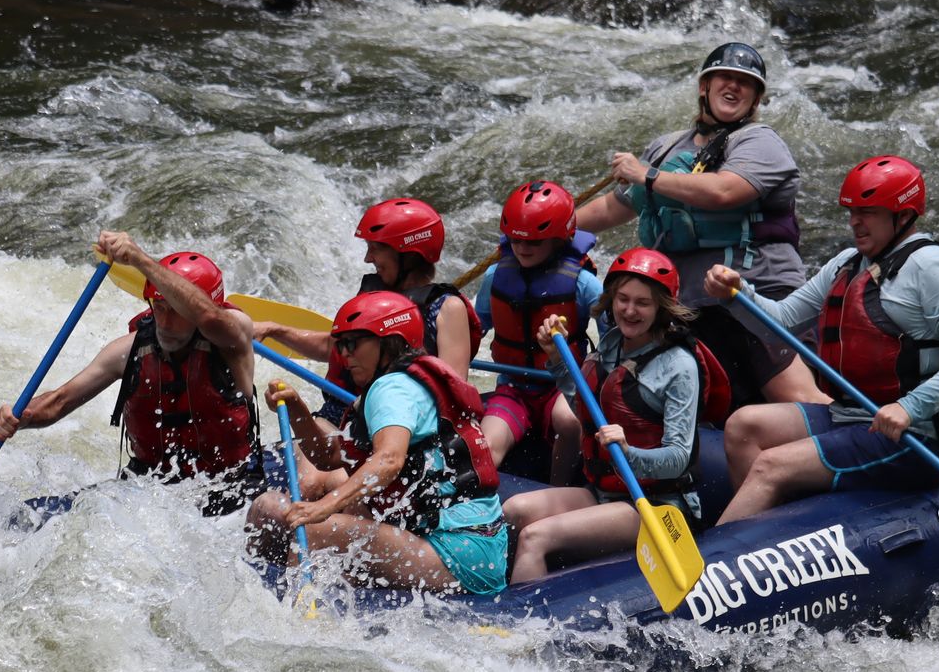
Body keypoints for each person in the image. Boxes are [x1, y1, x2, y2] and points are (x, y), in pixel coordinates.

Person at [702, 155, 939, 525]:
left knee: (770, 465)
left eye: (868, 212)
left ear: (902, 216)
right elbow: (781, 321)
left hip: (912, 437)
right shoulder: (848, 262)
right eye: (853, 211)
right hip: (850, 415)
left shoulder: (934, 268)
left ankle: (720, 558)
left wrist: (909, 407)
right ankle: (771, 534)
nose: (855, 222)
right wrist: (737, 293)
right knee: (744, 426)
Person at [575, 41, 827, 409]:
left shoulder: (760, 142)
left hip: (757, 296)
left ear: (756, 98)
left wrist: (646, 175)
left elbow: (724, 191)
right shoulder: (666, 148)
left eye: (745, 82)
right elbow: (615, 207)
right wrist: (550, 226)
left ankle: (852, 447)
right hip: (691, 305)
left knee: (791, 396)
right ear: (703, 87)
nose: (734, 86)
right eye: (724, 76)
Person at [245, 290, 508, 596]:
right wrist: (296, 410)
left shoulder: (393, 389)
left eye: (353, 343)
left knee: (314, 530)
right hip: (453, 538)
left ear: (389, 342)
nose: (344, 355)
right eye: (340, 345)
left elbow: (389, 460)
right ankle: (265, 590)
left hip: (460, 552)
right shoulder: (394, 385)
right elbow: (330, 457)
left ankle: (290, 616)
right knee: (273, 507)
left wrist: (323, 508)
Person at [0, 231, 264, 515]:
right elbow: (59, 402)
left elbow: (209, 317)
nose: (166, 323)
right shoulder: (130, 350)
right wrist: (22, 416)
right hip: (150, 489)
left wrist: (139, 259)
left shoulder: (232, 339)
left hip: (230, 488)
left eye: (178, 311)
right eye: (159, 307)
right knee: (27, 517)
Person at [504, 249, 724, 583]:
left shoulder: (679, 366)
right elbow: (585, 405)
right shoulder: (613, 343)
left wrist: (630, 453)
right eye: (622, 299)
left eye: (643, 303)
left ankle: (518, 631)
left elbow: (679, 457)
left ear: (661, 308)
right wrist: (555, 358)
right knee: (513, 512)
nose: (629, 310)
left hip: (654, 504)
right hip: (603, 491)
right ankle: (486, 598)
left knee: (536, 538)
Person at [251, 197, 481, 427]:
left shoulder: (448, 308)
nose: (367, 258)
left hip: (402, 422)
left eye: (376, 249)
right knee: (311, 445)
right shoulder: (373, 298)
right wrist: (275, 330)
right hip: (344, 414)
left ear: (409, 254)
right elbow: (335, 348)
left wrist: (381, 407)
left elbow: (454, 393)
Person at [473, 180, 602, 484]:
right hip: (513, 387)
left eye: (533, 242)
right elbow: (476, 328)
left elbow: (612, 343)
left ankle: (558, 488)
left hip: (560, 388)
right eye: (516, 241)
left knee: (567, 421)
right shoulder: (495, 276)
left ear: (559, 239)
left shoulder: (584, 284)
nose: (522, 248)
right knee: (487, 448)